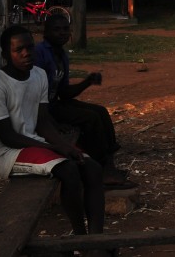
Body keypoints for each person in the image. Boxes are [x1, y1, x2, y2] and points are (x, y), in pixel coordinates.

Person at [0, 24, 106, 241]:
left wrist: (64, 145)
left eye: (29, 47)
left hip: (34, 142)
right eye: (18, 49)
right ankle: (80, 239)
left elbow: (42, 122)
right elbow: (7, 137)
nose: (26, 53)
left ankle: (95, 240)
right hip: (9, 153)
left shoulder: (38, 74)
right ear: (5, 54)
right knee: (69, 171)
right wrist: (55, 147)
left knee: (92, 168)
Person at [34, 13, 128, 187]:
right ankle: (100, 169)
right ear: (46, 33)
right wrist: (52, 123)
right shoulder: (40, 54)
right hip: (43, 109)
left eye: (65, 29)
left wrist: (87, 82)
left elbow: (64, 93)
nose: (62, 33)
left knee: (100, 111)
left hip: (55, 103)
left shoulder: (61, 55)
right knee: (90, 119)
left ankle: (108, 162)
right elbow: (34, 94)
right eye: (56, 30)